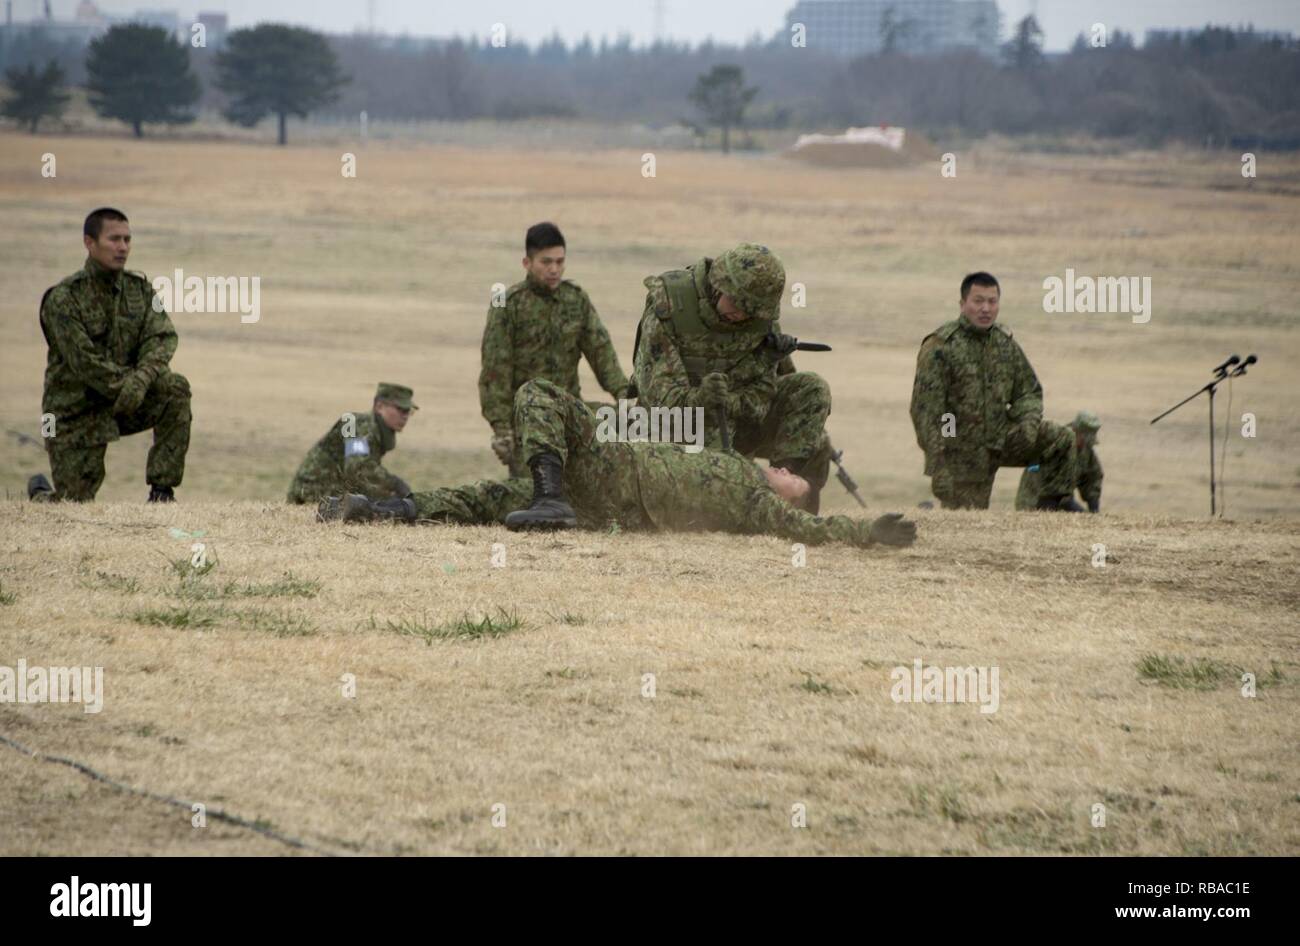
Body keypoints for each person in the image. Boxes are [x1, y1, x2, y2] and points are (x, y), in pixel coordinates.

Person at [318, 379, 916, 550]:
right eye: (792, 471)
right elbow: (668, 413)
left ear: (785, 495)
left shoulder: (749, 499)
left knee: (538, 396)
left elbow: (809, 530)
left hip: (607, 489)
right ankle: (382, 511)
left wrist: (866, 531)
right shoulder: (723, 454)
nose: (788, 472)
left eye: (796, 480)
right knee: (483, 498)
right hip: (599, 472)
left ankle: (548, 495)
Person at [631, 242, 835, 512]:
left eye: (751, 311)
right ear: (718, 284)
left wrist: (761, 364)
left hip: (734, 423)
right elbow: (660, 401)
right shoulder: (670, 305)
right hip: (676, 430)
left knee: (811, 390)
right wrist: (703, 399)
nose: (742, 315)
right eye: (738, 304)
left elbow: (760, 398)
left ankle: (782, 500)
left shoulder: (758, 318)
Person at [28, 207, 191, 503]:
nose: (123, 247)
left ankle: (162, 492)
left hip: (126, 400)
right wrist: (130, 386)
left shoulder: (139, 291)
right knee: (72, 505)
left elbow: (162, 337)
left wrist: (141, 381)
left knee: (174, 389)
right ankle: (40, 495)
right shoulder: (64, 299)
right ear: (89, 243)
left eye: (127, 239)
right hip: (75, 411)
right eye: (114, 239)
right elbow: (85, 364)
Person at [909, 272, 1077, 510]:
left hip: (1003, 437)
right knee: (967, 525)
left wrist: (1028, 424)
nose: (986, 308)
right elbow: (928, 413)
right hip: (963, 452)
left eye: (992, 301)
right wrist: (939, 463)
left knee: (1061, 439)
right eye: (978, 301)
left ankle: (1048, 510)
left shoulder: (1004, 343)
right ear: (962, 304)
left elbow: (1028, 392)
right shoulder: (940, 347)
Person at [478, 221, 629, 477]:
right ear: (527, 263)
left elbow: (601, 352)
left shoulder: (576, 300)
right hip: (528, 425)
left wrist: (624, 394)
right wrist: (501, 428)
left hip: (570, 416)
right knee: (536, 499)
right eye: (546, 262)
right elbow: (495, 371)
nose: (554, 269)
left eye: (560, 262)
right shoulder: (508, 305)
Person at [286, 383, 417, 504]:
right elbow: (358, 469)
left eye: (408, 411)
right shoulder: (356, 425)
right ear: (379, 407)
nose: (405, 416)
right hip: (312, 494)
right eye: (400, 409)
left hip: (335, 492)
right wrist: (394, 484)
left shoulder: (377, 430)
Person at [1016, 411, 1103, 512]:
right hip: (1038, 499)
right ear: (1076, 431)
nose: (1084, 444)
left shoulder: (1086, 451)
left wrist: (1093, 505)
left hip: (1063, 501)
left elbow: (1093, 476)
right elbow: (1034, 466)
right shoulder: (1057, 441)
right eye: (1084, 439)